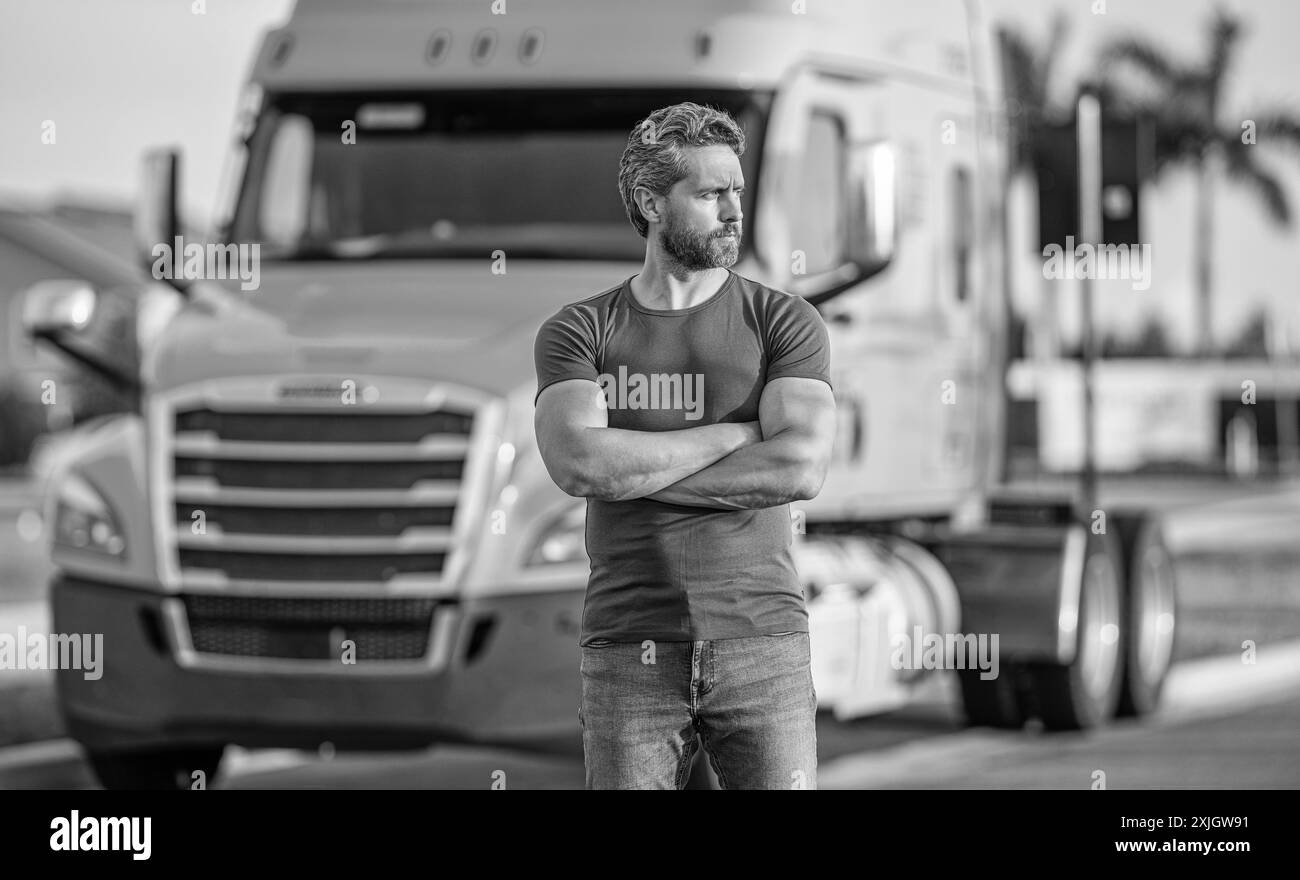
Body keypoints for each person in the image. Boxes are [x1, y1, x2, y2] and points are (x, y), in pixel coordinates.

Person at [532, 101, 836, 789]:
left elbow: (801, 465)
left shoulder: (783, 320)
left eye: (736, 190)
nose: (733, 211)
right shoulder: (580, 330)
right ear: (651, 201)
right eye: (709, 194)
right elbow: (578, 462)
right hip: (625, 650)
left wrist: (631, 469)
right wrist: (735, 433)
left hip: (763, 643)